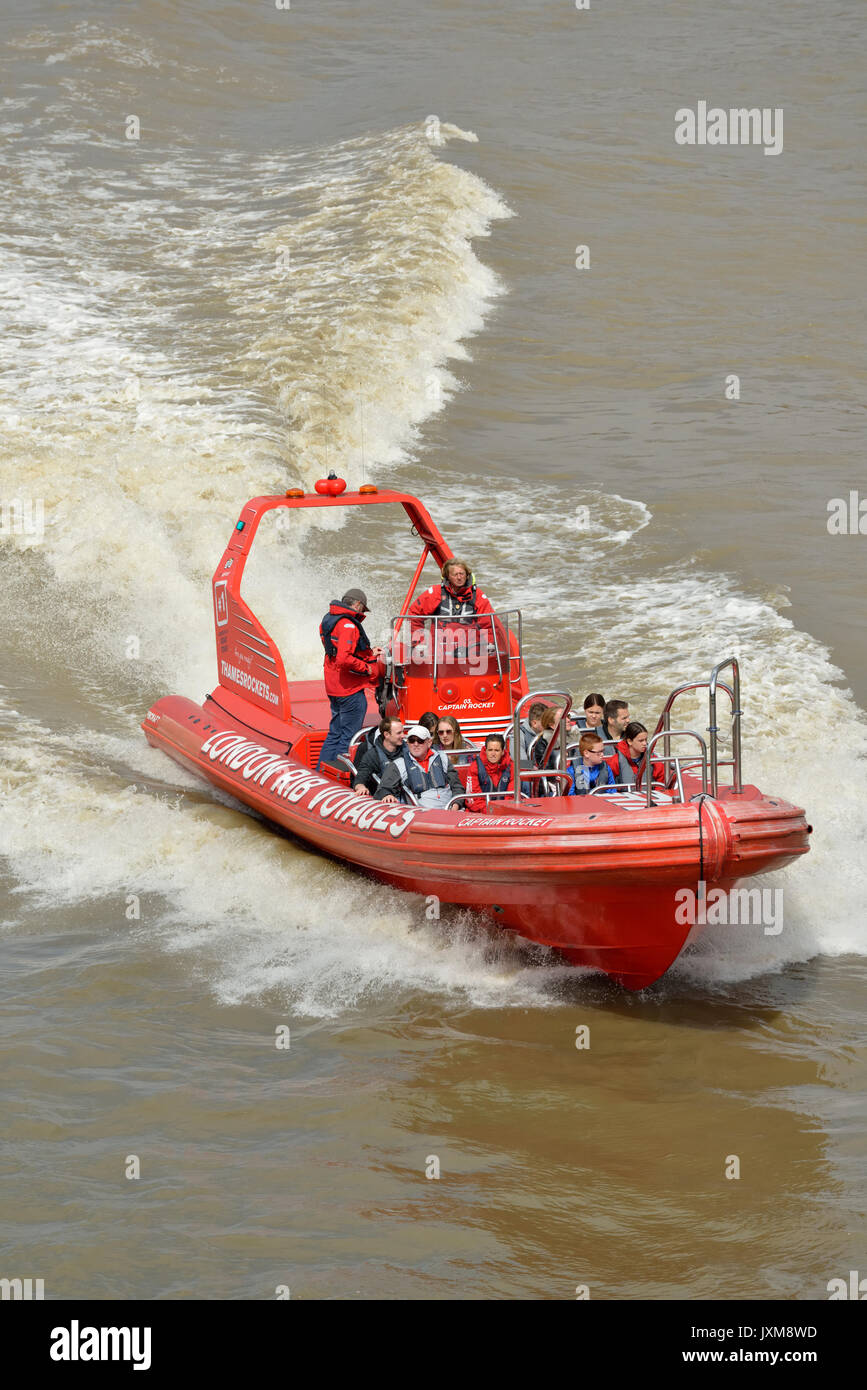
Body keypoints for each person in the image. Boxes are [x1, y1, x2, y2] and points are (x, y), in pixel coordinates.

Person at [317, 589, 383, 771]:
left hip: (333, 685)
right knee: (348, 737)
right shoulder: (348, 625)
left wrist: (369, 654)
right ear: (357, 605)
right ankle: (338, 775)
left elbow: (335, 651)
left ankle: (320, 772)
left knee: (334, 733)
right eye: (362, 609)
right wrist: (368, 667)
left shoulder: (328, 620)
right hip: (349, 689)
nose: (361, 613)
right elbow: (344, 658)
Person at [375, 724, 464, 810]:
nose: (416, 744)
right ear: (408, 743)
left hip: (451, 810)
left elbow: (457, 787)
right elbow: (382, 789)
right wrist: (387, 795)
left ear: (429, 743)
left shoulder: (442, 758)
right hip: (421, 815)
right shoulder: (399, 764)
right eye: (412, 740)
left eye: (420, 741)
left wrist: (456, 805)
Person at [408, 558, 494, 623]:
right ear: (447, 576)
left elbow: (489, 624)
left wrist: (489, 645)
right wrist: (418, 642)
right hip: (440, 645)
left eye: (462, 574)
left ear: (467, 575)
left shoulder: (477, 595)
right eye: (455, 574)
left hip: (470, 645)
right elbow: (414, 614)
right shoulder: (435, 592)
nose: (459, 577)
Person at [352, 716, 406, 796]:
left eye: (403, 732)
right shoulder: (373, 755)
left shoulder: (408, 750)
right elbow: (361, 778)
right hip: (386, 797)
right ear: (387, 735)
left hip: (409, 794)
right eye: (399, 733)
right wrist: (361, 787)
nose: (403, 736)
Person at [606, 721, 665, 789]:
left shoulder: (653, 760)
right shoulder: (614, 762)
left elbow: (661, 783)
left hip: (648, 797)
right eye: (641, 741)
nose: (645, 743)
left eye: (646, 740)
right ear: (630, 741)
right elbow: (608, 787)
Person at [465, 733, 514, 812]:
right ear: (485, 750)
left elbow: (512, 797)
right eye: (490, 750)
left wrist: (503, 811)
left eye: (497, 750)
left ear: (502, 752)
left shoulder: (511, 767)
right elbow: (473, 799)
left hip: (505, 813)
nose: (493, 754)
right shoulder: (475, 766)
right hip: (479, 813)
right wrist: (491, 811)